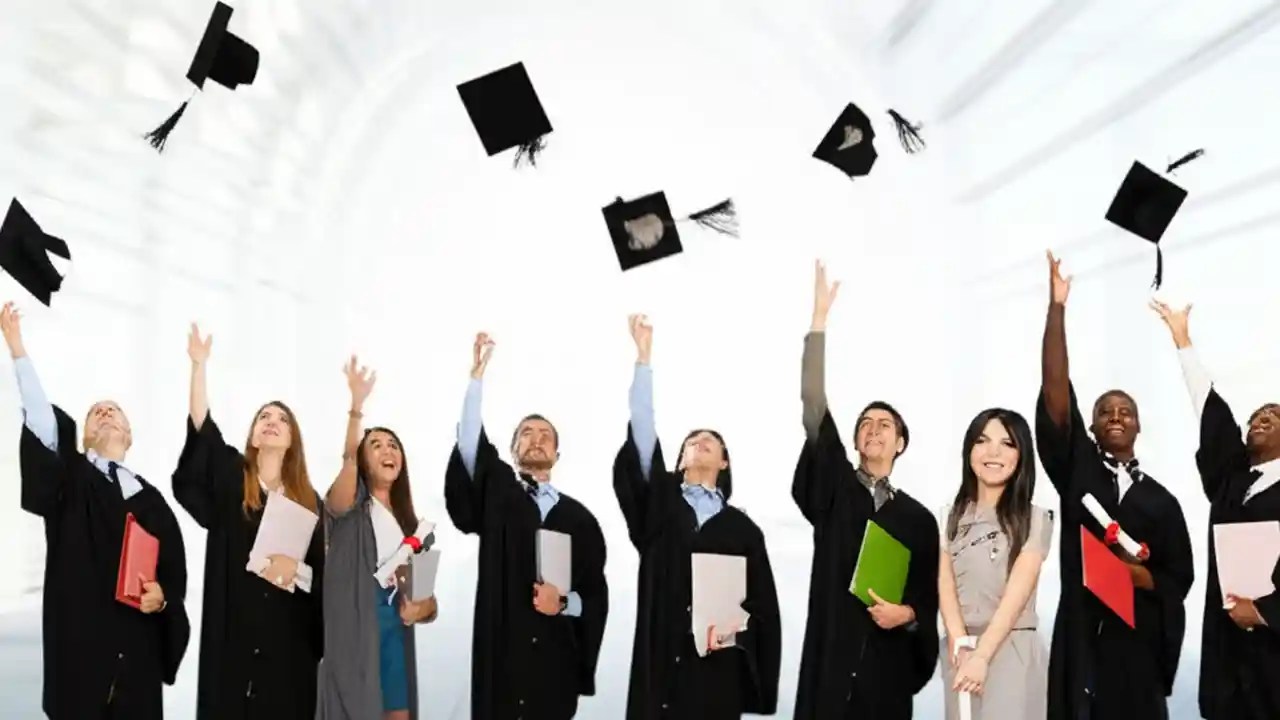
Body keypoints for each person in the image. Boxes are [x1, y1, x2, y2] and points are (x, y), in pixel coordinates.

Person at [2, 301, 189, 719]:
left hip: (136, 671)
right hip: (80, 667)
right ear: (83, 435)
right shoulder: (69, 479)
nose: (104, 413)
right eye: (95, 412)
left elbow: (172, 584)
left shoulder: (154, 504)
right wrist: (17, 350)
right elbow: (42, 424)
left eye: (113, 410)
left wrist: (161, 602)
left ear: (129, 434)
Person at [1035, 251, 1194, 720]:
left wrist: (1135, 575)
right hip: (1084, 642)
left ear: (1139, 425)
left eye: (1126, 411)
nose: (1117, 417)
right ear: (1091, 425)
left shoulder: (1161, 501)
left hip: (1139, 650)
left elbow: (1177, 578)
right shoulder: (1078, 469)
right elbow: (1055, 388)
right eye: (1106, 411)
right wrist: (1057, 309)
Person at [612, 314, 782, 719]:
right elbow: (642, 438)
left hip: (716, 675)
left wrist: (737, 633)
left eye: (711, 442)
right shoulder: (659, 503)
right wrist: (643, 360)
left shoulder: (744, 531)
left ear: (724, 462)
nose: (701, 442)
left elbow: (764, 610)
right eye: (692, 441)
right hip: (660, 668)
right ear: (679, 458)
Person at [791, 261, 941, 719]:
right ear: (854, 440)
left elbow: (925, 600)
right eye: (864, 424)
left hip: (885, 674)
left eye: (885, 425)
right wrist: (818, 324)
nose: (873, 429)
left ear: (900, 443)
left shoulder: (918, 520)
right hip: (831, 670)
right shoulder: (835, 490)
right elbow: (814, 406)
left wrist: (908, 615)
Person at [444, 332, 609, 720]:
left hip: (556, 667)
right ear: (513, 449)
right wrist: (475, 382)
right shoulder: (499, 496)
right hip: (502, 658)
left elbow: (595, 597)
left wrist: (563, 603)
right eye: (527, 435)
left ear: (557, 453)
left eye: (545, 436)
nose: (536, 441)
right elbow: (470, 451)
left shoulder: (580, 520)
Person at [172, 323, 325, 719]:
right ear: (254, 435)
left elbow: (324, 579)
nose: (271, 421)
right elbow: (203, 428)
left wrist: (298, 572)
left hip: (288, 649)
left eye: (281, 419)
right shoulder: (230, 477)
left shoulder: (309, 503)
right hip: (233, 642)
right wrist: (198, 366)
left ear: (293, 440)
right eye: (263, 417)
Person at [1150, 299, 1280, 718]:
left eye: (1275, 417)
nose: (1261, 419)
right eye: (1257, 416)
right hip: (1229, 662)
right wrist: (1183, 342)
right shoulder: (1231, 483)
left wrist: (1263, 610)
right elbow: (1210, 412)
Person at [317, 356, 438, 720]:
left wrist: (421, 608)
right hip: (353, 643)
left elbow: (428, 602)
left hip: (395, 642)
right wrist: (356, 409)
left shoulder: (414, 529)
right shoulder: (348, 509)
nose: (388, 450)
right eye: (377, 445)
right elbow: (348, 465)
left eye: (393, 445)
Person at [938, 407, 1053, 719]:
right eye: (983, 441)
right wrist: (959, 642)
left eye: (1007, 443)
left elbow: (1018, 592)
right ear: (969, 451)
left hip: (1010, 647)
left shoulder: (1035, 519)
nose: (993, 452)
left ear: (1021, 456)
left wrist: (982, 656)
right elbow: (945, 584)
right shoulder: (949, 516)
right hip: (959, 651)